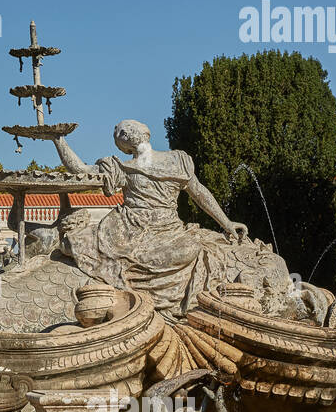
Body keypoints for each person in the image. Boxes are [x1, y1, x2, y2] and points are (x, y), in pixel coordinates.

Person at [51, 119, 289, 318]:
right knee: (74, 243)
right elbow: (81, 170)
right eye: (118, 133)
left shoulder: (178, 161)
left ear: (144, 131)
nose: (122, 132)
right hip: (128, 228)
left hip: (168, 229)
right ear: (121, 145)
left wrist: (226, 222)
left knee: (192, 248)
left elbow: (199, 192)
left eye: (126, 128)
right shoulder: (121, 167)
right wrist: (58, 140)